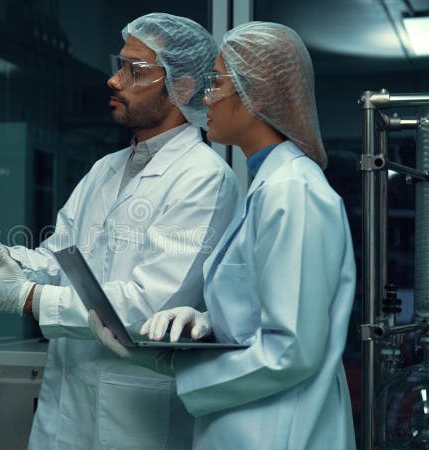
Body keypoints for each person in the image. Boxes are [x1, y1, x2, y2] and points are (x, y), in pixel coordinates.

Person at [0, 13, 243, 450]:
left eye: (133, 70)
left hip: (136, 418)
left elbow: (150, 307)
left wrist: (26, 298)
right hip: (67, 409)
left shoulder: (204, 178)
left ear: (181, 86)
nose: (114, 80)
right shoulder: (106, 169)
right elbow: (58, 260)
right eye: (118, 65)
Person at [89, 21, 357, 449]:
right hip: (246, 426)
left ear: (257, 95)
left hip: (281, 432)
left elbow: (291, 350)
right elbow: (266, 312)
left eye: (216, 83)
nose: (204, 96)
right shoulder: (266, 185)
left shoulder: (295, 191)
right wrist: (209, 324)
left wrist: (175, 367)